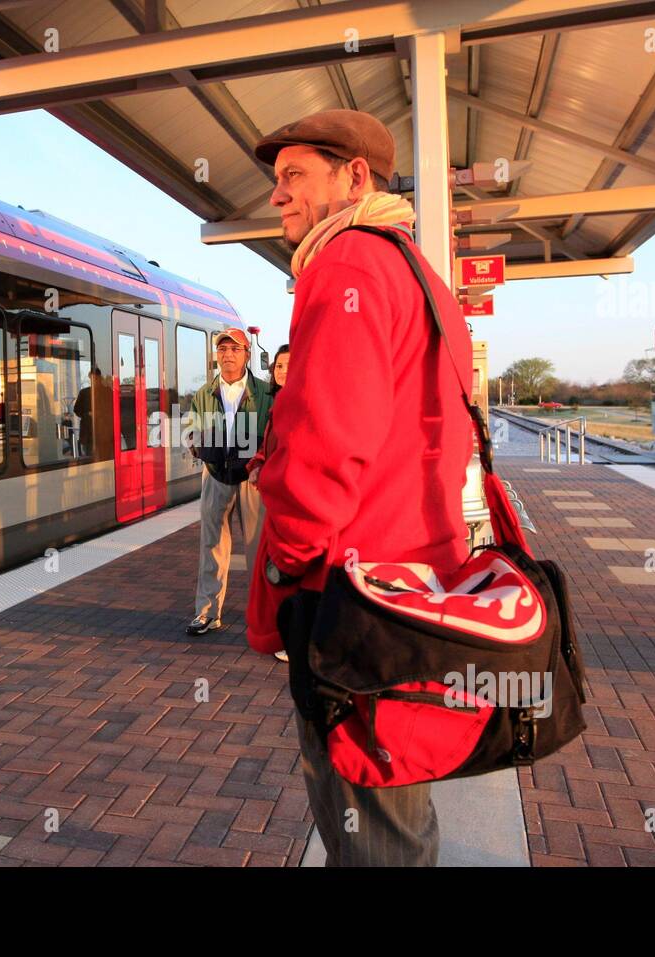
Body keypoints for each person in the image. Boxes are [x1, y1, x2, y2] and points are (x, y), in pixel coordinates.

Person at [246, 109, 474, 866]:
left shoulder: (343, 265)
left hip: (354, 597)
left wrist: (288, 560)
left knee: (364, 816)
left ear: (354, 178)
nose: (277, 196)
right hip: (418, 582)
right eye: (275, 180)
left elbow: (324, 445)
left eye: (294, 176)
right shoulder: (420, 275)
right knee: (396, 800)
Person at [184, 328, 272, 635]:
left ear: (247, 354)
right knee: (211, 545)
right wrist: (197, 443)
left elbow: (275, 434)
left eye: (235, 349)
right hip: (216, 475)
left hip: (253, 478)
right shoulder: (202, 394)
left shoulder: (265, 393)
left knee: (257, 547)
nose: (228, 354)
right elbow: (191, 428)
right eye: (222, 349)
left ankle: (261, 615)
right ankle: (207, 612)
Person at [248, 344, 290, 664]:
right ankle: (283, 632)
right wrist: (259, 464)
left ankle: (289, 635)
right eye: (278, 366)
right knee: (274, 565)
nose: (283, 371)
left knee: (284, 567)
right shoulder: (278, 404)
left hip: (289, 498)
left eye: (290, 365)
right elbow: (268, 446)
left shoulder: (297, 405)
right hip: (275, 496)